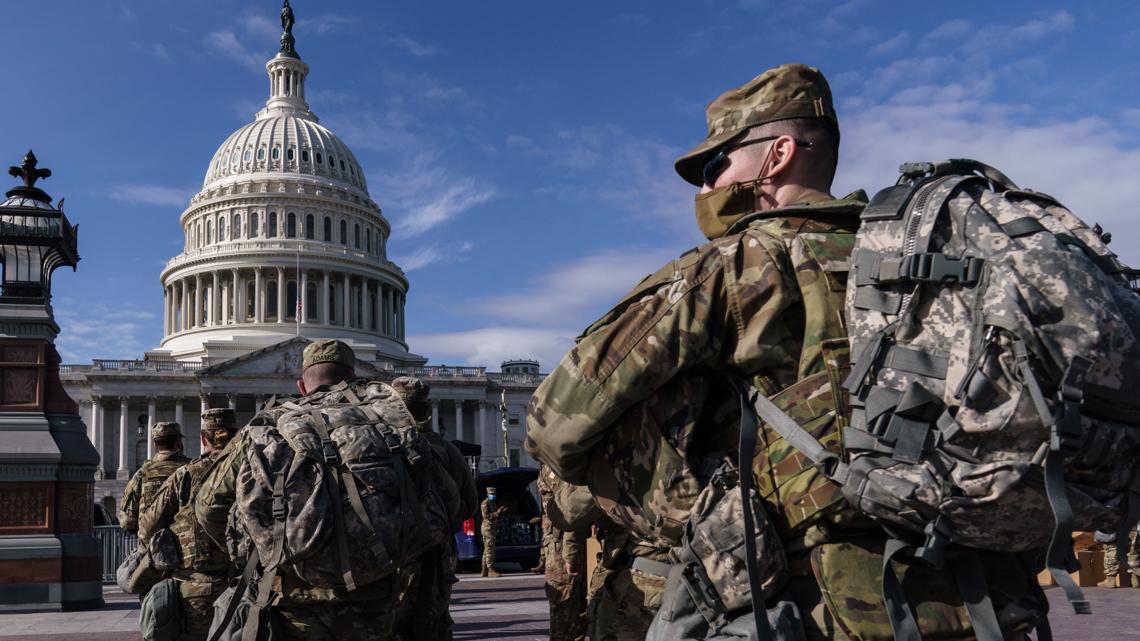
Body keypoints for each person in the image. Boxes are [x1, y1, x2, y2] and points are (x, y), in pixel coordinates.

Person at [526, 63, 1045, 640]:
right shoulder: (946, 266)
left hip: (826, 602)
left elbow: (556, 419)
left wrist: (703, 520)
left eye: (715, 164)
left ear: (775, 156)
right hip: (989, 596)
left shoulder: (740, 265)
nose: (705, 188)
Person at [196, 339, 404, 641]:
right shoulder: (392, 429)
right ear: (356, 381)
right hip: (373, 596)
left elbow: (209, 505)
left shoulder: (265, 428)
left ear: (301, 386)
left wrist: (259, 548)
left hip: (291, 596)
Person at [137, 409, 237, 641]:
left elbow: (147, 528)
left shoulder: (187, 474)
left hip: (198, 586)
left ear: (203, 439)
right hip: (251, 585)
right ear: (236, 436)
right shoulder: (258, 470)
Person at [391, 376, 478, 641]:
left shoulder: (372, 447)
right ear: (427, 410)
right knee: (434, 625)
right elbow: (470, 504)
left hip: (388, 558)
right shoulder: (447, 450)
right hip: (435, 558)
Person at [536, 465, 588, 641]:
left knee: (568, 610)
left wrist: (570, 552)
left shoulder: (560, 465)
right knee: (567, 609)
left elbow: (572, 512)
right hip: (563, 547)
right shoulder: (560, 465)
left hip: (565, 547)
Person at [118, 422, 189, 534]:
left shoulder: (142, 474)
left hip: (151, 546)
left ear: (155, 445)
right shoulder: (191, 469)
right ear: (178, 443)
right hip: (185, 546)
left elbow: (127, 521)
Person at [480, 487, 507, 577]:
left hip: (491, 528)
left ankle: (484, 570)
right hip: (488, 529)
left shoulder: (491, 503)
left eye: (494, 494)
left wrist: (500, 512)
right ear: (488, 494)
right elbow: (486, 516)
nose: (493, 495)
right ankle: (490, 570)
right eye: (492, 494)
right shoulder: (485, 503)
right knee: (490, 549)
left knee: (486, 549)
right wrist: (497, 513)